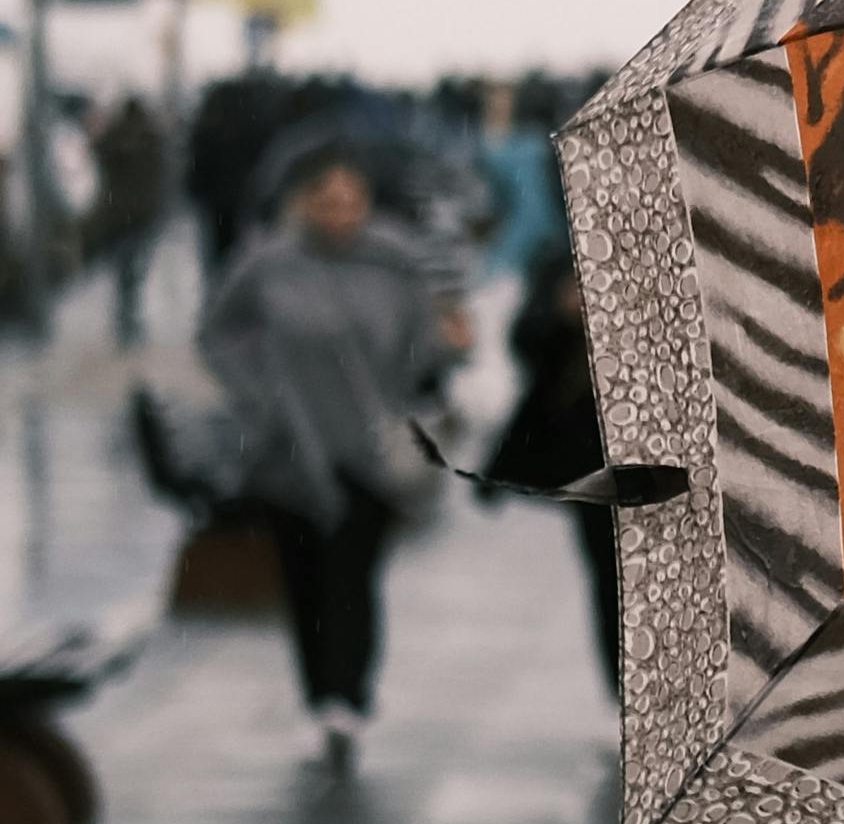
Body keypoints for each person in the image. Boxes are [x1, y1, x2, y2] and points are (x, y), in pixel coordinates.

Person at [197, 147, 470, 777]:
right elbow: (217, 332)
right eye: (327, 199)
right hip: (287, 449)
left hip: (370, 447)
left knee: (352, 576)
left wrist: (451, 345)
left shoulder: (395, 262)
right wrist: (261, 394)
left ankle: (347, 700)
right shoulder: (269, 263)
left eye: (352, 199)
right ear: (305, 201)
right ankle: (318, 697)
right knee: (305, 578)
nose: (340, 211)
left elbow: (421, 350)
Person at [481, 236, 618, 697]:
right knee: (611, 577)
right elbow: (524, 341)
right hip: (590, 456)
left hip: (666, 448)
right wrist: (562, 315)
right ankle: (624, 690)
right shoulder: (564, 254)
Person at [86, 93, 172, 346]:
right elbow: (163, 174)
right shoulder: (151, 136)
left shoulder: (115, 136)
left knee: (124, 266)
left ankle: (125, 314)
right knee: (134, 265)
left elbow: (97, 153)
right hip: (142, 213)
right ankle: (130, 313)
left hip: (119, 213)